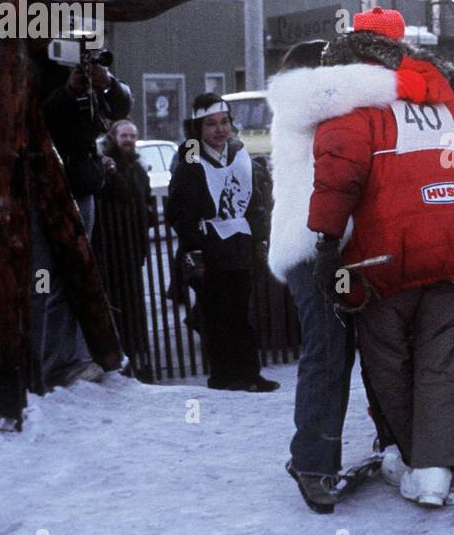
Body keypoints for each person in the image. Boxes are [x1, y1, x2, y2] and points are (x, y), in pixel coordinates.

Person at [308, 8, 454, 507]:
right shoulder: (444, 96)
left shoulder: (353, 101)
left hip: (384, 257)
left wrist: (326, 243)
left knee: (387, 358)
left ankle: (411, 453)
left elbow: (337, 176)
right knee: (445, 358)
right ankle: (436, 471)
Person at [267, 37, 409, 514]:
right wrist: (398, 76)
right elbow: (346, 90)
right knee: (328, 354)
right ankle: (311, 464)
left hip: (332, 246)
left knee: (353, 350)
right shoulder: (304, 102)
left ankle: (328, 454)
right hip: (313, 247)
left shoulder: (314, 110)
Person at [31, 53, 132, 390]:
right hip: (42, 186)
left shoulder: (85, 73)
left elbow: (119, 109)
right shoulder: (30, 66)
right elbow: (40, 120)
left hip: (79, 183)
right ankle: (43, 363)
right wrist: (70, 91)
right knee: (43, 278)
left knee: (74, 274)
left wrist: (106, 83)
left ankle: (67, 359)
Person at [167, 93, 276, 392]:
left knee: (242, 314)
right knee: (216, 315)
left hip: (239, 244)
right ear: (198, 128)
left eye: (224, 122)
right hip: (209, 245)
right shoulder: (190, 160)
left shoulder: (240, 154)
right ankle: (224, 375)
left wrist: (259, 239)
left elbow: (254, 202)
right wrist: (194, 247)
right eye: (211, 124)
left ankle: (250, 373)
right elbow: (178, 210)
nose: (220, 130)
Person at [94, 119, 153, 373]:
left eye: (132, 136)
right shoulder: (104, 167)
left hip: (132, 250)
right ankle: (121, 360)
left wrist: (142, 244)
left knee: (134, 307)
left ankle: (138, 359)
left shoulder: (138, 170)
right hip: (111, 249)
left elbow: (145, 204)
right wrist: (112, 172)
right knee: (116, 307)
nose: (129, 140)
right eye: (124, 136)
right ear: (113, 137)